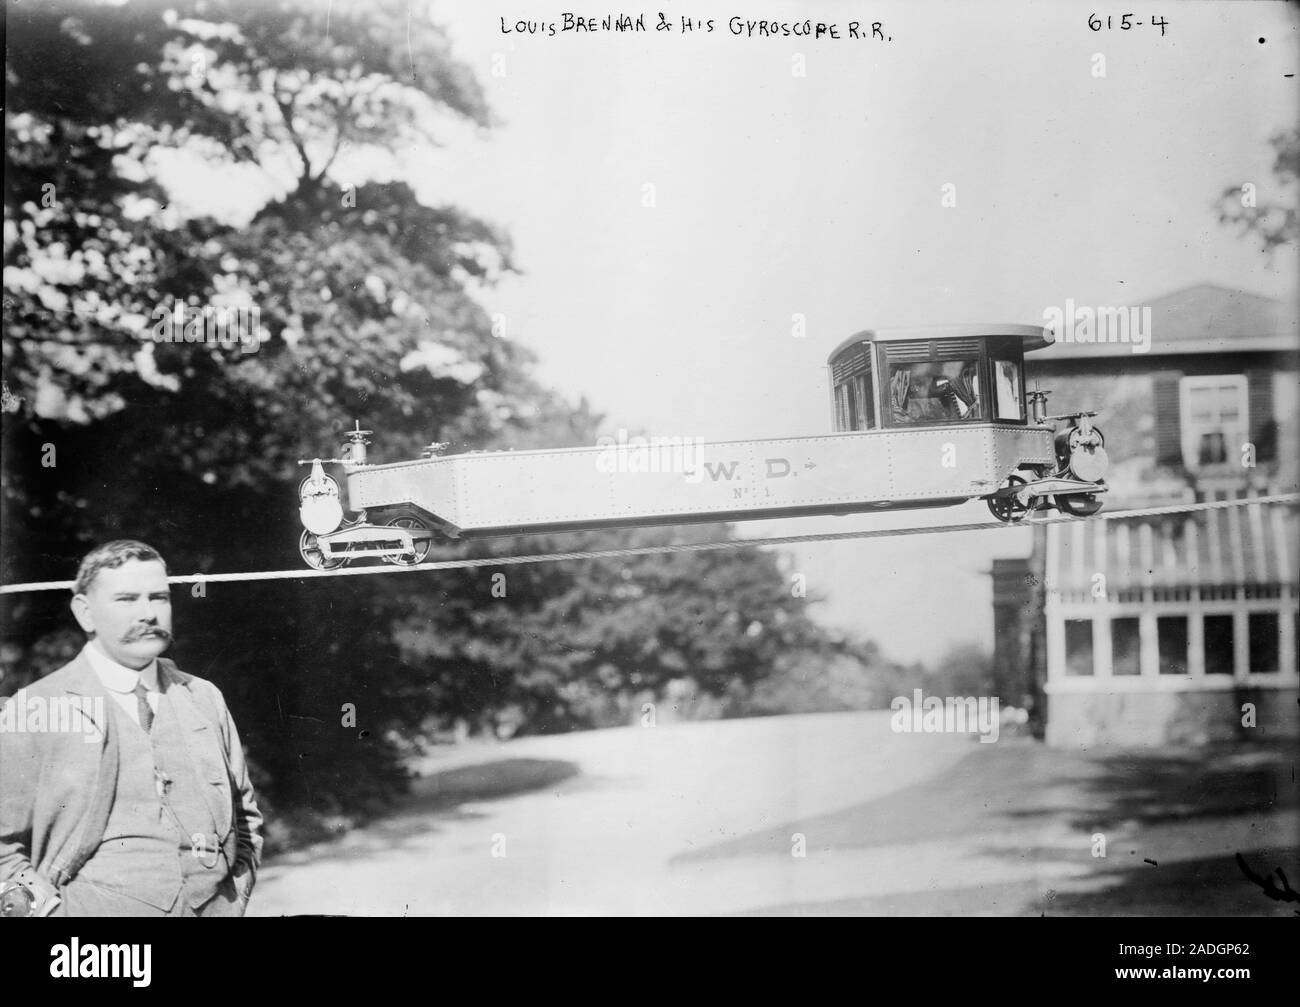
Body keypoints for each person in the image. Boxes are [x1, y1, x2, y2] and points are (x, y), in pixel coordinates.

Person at [0, 540, 263, 916]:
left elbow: (246, 820)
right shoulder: (37, 708)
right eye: (126, 599)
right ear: (85, 613)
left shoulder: (203, 698)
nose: (148, 613)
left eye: (159, 597)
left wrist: (233, 900)